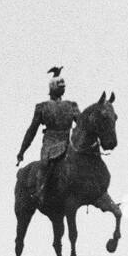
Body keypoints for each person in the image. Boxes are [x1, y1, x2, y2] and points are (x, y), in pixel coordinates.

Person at [17, 67, 79, 209]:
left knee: (45, 166)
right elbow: (81, 124)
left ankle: (40, 192)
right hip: (65, 146)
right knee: (47, 165)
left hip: (53, 146)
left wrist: (22, 151)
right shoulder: (71, 106)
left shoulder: (43, 107)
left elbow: (31, 131)